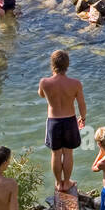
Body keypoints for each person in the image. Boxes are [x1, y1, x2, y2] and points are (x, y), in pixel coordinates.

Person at [38, 50, 86, 195]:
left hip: (53, 121)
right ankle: (67, 182)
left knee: (56, 154)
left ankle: (59, 183)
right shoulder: (75, 84)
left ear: (52, 64)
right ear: (67, 65)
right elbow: (82, 104)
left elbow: (41, 95)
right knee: (68, 153)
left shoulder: (44, 82)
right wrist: (83, 118)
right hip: (70, 120)